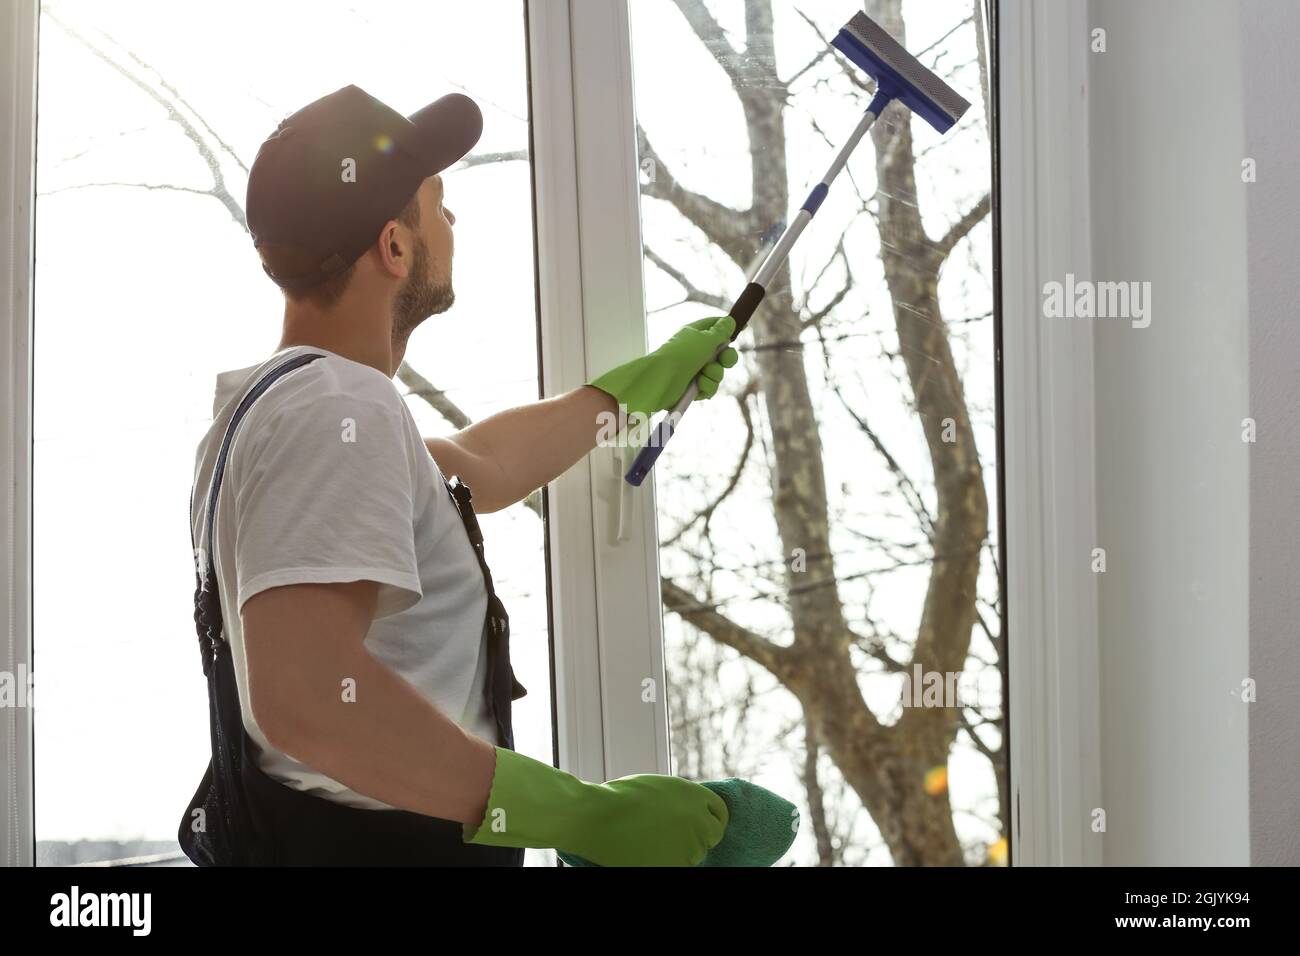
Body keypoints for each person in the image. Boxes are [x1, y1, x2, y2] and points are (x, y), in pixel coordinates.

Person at [186, 85, 739, 865]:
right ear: (395, 247)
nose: (454, 224)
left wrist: (632, 390)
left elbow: (478, 467)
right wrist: (577, 815)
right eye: (437, 205)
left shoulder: (272, 410)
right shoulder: (341, 405)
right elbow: (307, 700)